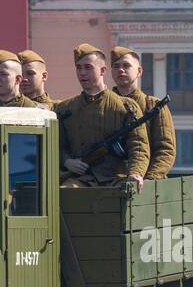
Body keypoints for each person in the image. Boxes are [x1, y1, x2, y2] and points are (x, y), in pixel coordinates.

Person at [55, 43, 150, 189]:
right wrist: (67, 161)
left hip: (116, 178)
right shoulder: (65, 108)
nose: (82, 73)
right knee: (66, 193)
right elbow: (57, 145)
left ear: (103, 70)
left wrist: (136, 173)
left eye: (88, 67)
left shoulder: (125, 106)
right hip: (80, 179)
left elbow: (138, 145)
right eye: (79, 68)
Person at [111, 45, 177, 179]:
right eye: (116, 66)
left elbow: (165, 150)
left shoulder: (154, 106)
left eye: (126, 66)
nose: (121, 70)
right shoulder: (105, 106)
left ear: (139, 71)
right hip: (109, 180)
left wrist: (149, 179)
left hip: (145, 181)